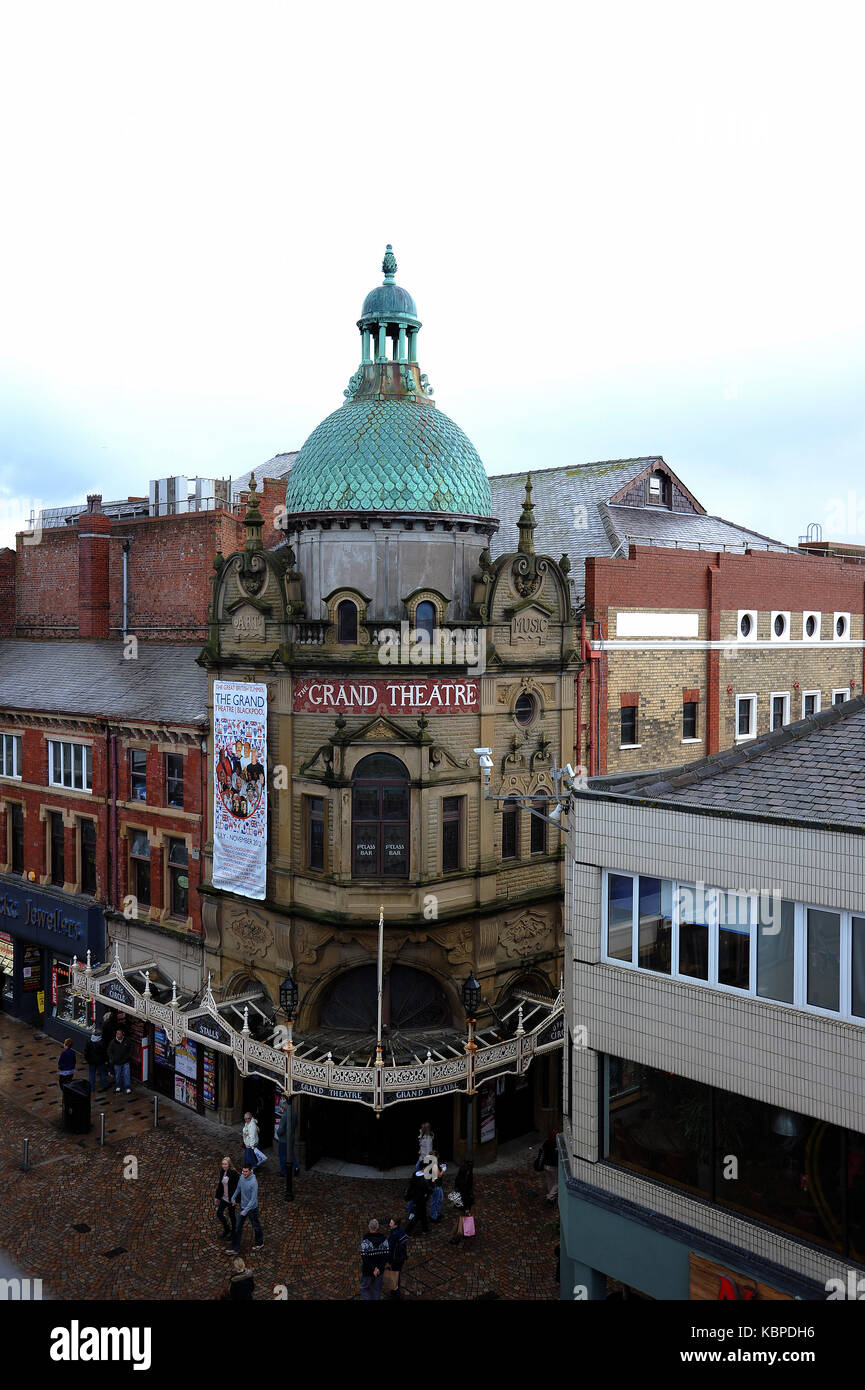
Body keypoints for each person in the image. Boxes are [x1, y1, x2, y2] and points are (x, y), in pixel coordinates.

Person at [231, 1165, 264, 1253]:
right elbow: (238, 1188)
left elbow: (253, 1200)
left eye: (246, 1172)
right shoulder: (242, 1177)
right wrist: (233, 1197)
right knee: (237, 1227)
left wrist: (245, 1211)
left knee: (256, 1226)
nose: (244, 1173)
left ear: (250, 1171)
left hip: (252, 1209)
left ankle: (260, 1243)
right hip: (243, 1207)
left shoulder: (253, 1182)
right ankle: (235, 1248)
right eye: (243, 1171)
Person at [360, 1218, 389, 1301]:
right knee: (377, 1290)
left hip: (368, 1271)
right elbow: (386, 1256)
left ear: (369, 1227)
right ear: (378, 1228)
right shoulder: (384, 1239)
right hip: (379, 1271)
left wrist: (373, 1269)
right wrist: (378, 1268)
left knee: (364, 1288)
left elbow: (364, 1258)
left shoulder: (365, 1240)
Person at [214, 1157, 239, 1241]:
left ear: (229, 1164)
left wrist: (236, 1199)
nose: (223, 1166)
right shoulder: (222, 1172)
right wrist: (217, 1197)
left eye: (225, 1164)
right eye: (222, 1164)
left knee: (232, 1216)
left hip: (231, 1199)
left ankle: (233, 1233)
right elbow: (220, 1185)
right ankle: (227, 1228)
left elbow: (238, 1187)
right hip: (224, 1198)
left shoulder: (234, 1173)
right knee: (219, 1213)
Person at [386, 1216, 408, 1299]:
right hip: (401, 1257)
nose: (389, 1224)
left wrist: (388, 1261)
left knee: (394, 1276)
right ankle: (394, 1292)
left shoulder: (394, 1235)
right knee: (397, 1274)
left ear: (395, 1225)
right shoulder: (401, 1230)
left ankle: (396, 1293)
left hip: (395, 1259)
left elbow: (390, 1250)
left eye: (391, 1223)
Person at [276, 1096, 297, 1177]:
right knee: (291, 1154)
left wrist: (278, 1133)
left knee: (282, 1156)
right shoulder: (294, 1113)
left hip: (284, 1140)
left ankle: (283, 1171)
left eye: (281, 1107)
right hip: (292, 1138)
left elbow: (280, 1130)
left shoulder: (284, 1116)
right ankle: (296, 1167)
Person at [405, 1168, 430, 1236]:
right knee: (418, 1216)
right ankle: (408, 1230)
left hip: (417, 1199)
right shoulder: (422, 1179)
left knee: (423, 1215)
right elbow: (427, 1189)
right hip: (420, 1199)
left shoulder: (415, 1174)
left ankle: (425, 1229)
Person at [108, 1028, 133, 1093]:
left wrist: (128, 1056)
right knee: (118, 1075)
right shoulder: (113, 1042)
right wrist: (113, 1058)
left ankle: (127, 1087)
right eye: (117, 1034)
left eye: (119, 1034)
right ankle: (118, 1086)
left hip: (125, 1061)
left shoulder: (127, 1041)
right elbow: (109, 1051)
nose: (118, 1035)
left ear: (122, 1034)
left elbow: (131, 1048)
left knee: (126, 1074)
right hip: (117, 1062)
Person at [542, 1130, 559, 1204]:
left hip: (545, 1165)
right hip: (553, 1166)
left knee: (550, 1180)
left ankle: (551, 1194)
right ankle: (550, 1197)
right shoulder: (555, 1144)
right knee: (557, 1182)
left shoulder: (546, 1143)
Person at [429, 1153, 446, 1223]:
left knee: (440, 1199)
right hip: (435, 1185)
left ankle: (436, 1213)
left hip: (437, 1185)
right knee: (435, 1201)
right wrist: (444, 1169)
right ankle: (433, 1217)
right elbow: (439, 1175)